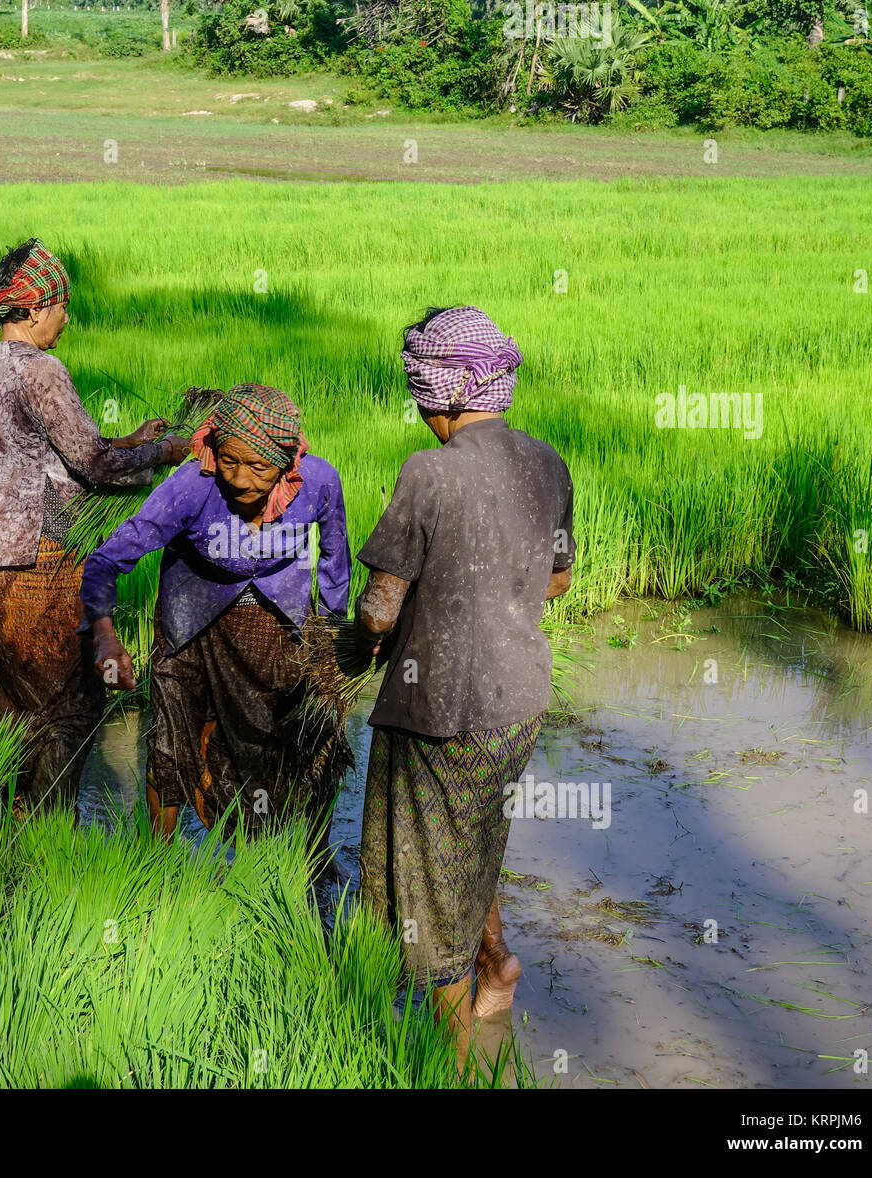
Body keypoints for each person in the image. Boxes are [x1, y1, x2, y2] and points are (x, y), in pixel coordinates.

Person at [353, 306, 575, 1076]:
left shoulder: (430, 471)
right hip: (519, 703)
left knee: (422, 880)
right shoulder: (547, 464)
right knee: (473, 845)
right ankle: (497, 969)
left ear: (437, 393)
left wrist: (356, 649)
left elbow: (379, 608)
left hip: (441, 712)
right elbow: (557, 580)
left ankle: (448, 1058)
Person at [0, 238, 190, 815]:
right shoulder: (41, 370)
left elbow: (55, 453)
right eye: (62, 306)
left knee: (12, 708)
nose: (68, 317)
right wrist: (166, 452)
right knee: (68, 708)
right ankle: (45, 835)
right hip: (35, 561)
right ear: (36, 309)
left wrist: (129, 441)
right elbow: (92, 466)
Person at [80, 383, 352, 848]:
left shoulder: (318, 483)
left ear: (287, 463)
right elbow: (107, 560)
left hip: (276, 626)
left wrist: (333, 636)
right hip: (190, 625)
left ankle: (307, 853)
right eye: (230, 460)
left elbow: (334, 558)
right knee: (170, 739)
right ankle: (157, 861)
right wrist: (103, 633)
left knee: (289, 738)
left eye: (258, 466)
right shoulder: (191, 486)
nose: (241, 479)